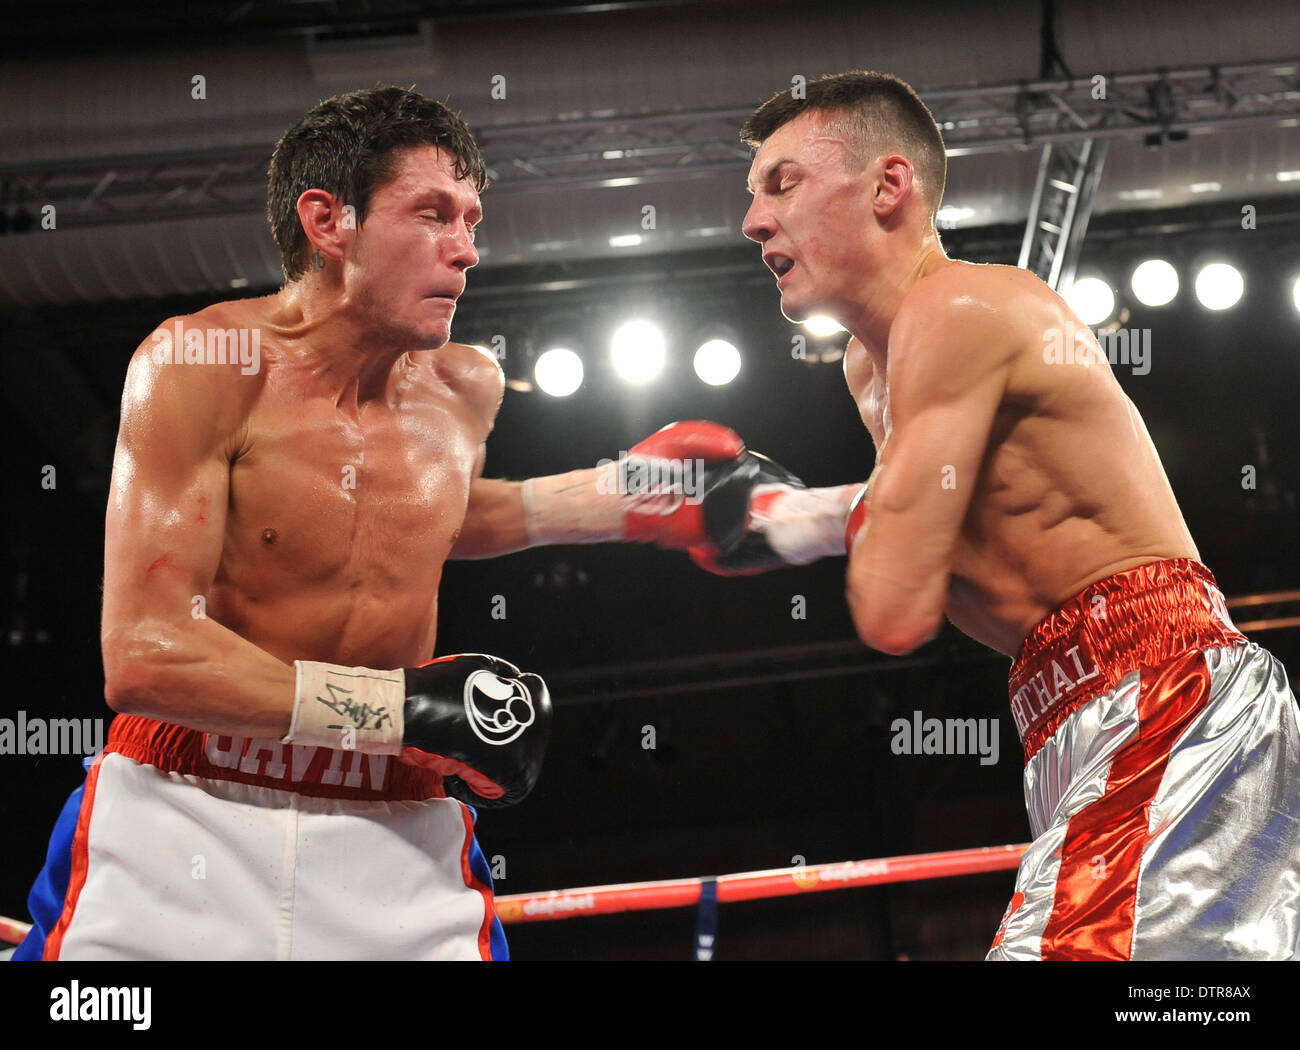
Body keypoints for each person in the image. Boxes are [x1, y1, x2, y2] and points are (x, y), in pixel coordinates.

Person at [14, 86, 848, 962]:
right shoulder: (206, 363)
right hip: (186, 809)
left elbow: (427, 515)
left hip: (389, 824)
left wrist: (636, 492)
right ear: (328, 222)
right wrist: (399, 710)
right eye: (434, 215)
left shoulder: (463, 385)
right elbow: (145, 651)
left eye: (472, 220)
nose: (467, 250)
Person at [737, 70, 1300, 960]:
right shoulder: (866, 371)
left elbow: (893, 605)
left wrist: (784, 518)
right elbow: (939, 536)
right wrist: (790, 517)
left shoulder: (962, 307)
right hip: (1070, 717)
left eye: (783, 183)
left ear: (890, 186)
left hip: (1160, 689)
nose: (754, 220)